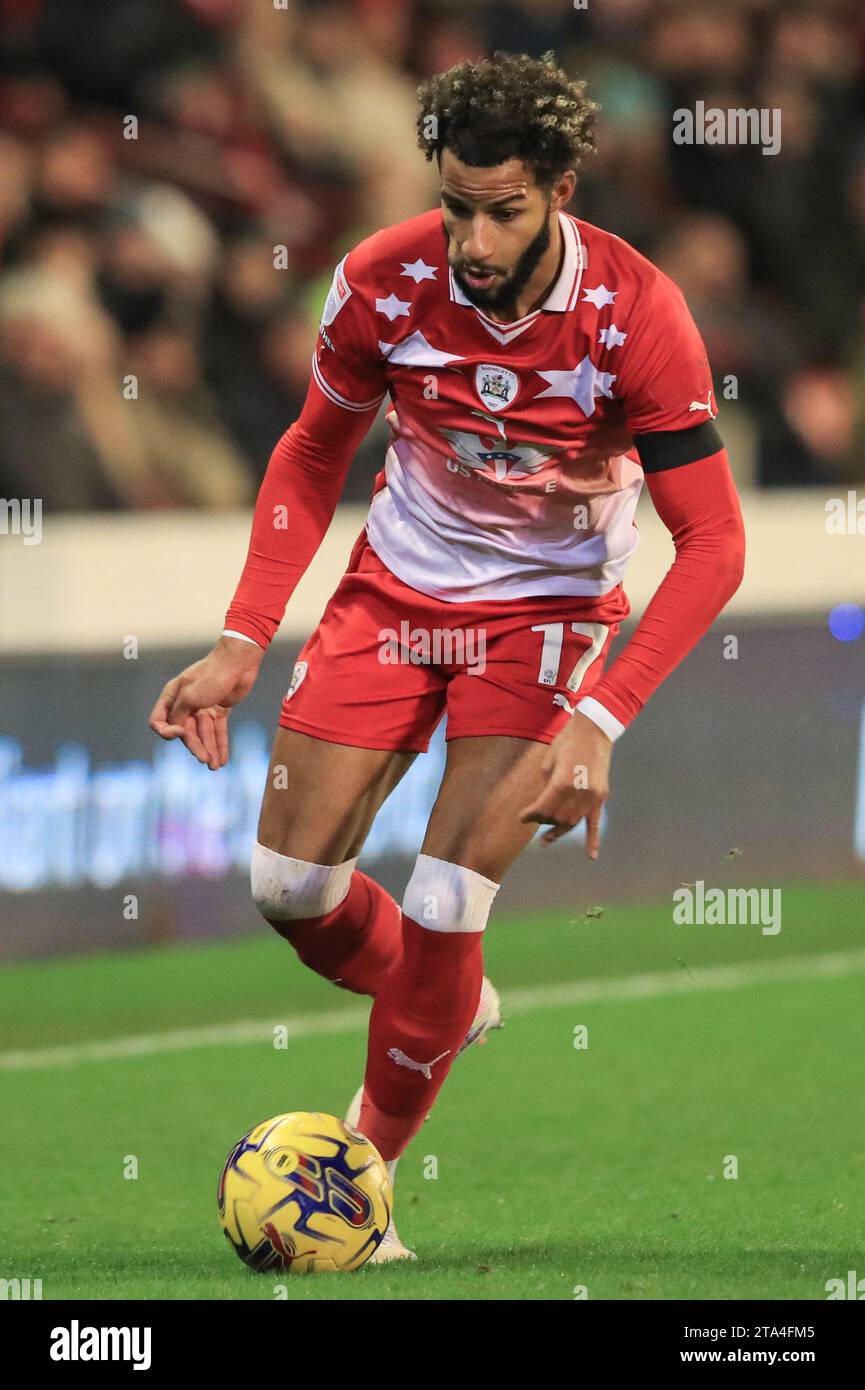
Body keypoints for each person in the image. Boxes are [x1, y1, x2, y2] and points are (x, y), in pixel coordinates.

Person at [149, 52, 745, 1264]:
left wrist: (602, 715)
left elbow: (715, 543)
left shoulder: (637, 314)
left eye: (503, 210)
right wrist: (240, 638)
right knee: (289, 891)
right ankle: (447, 1002)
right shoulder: (381, 277)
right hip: (396, 588)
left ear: (563, 188)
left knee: (441, 896)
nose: (471, 240)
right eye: (456, 204)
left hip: (546, 614)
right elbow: (314, 451)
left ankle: (355, 1194)